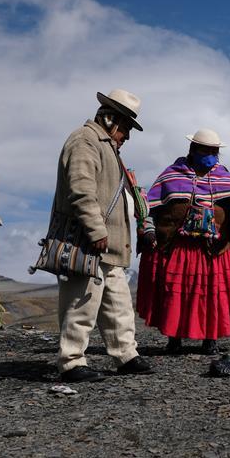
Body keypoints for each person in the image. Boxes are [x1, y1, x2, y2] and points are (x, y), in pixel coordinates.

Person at [52, 89, 153, 381]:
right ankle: (71, 362)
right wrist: (96, 230)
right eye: (126, 128)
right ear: (110, 120)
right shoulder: (85, 141)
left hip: (107, 245)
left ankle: (126, 354)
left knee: (118, 303)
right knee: (81, 301)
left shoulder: (105, 146)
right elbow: (81, 189)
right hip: (87, 240)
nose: (127, 136)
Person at [136, 128, 230, 354]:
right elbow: (152, 205)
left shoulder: (223, 176)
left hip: (213, 249)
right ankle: (174, 338)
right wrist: (149, 231)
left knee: (211, 295)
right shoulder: (172, 175)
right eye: (207, 150)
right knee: (176, 295)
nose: (211, 155)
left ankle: (210, 339)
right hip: (180, 247)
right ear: (193, 150)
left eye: (215, 152)